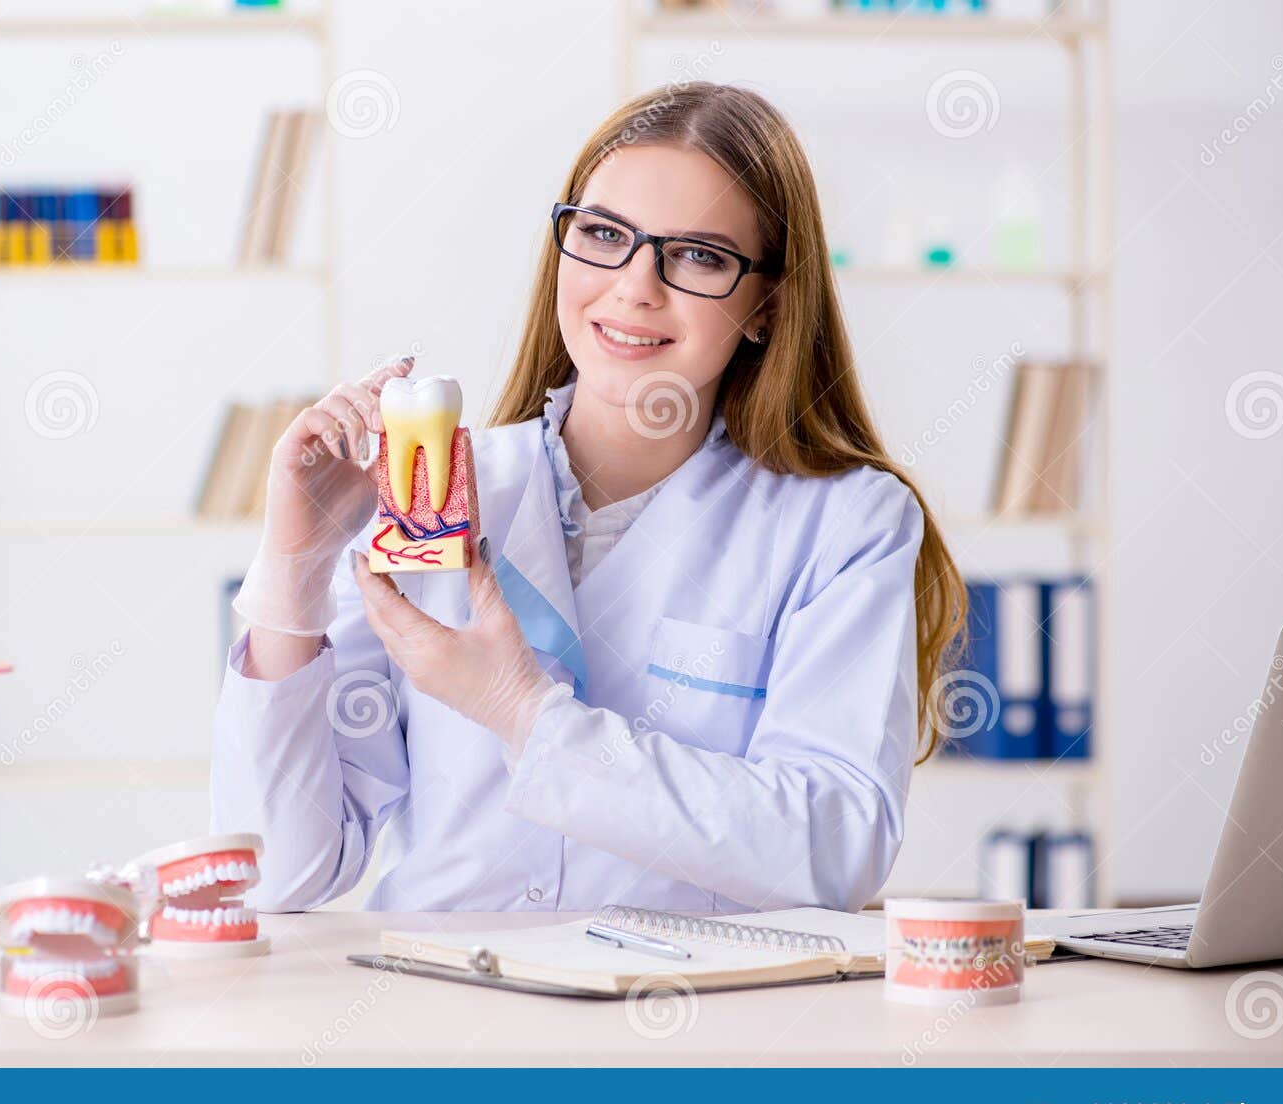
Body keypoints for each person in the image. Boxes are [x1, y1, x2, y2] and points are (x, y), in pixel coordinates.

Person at [212, 82, 966, 914]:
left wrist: (526, 715)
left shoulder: (844, 522)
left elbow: (835, 844)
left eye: (698, 256)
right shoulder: (432, 496)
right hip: (445, 1022)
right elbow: (274, 874)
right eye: (605, 235)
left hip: (694, 1025)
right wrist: (296, 566)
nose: (636, 287)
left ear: (768, 305)